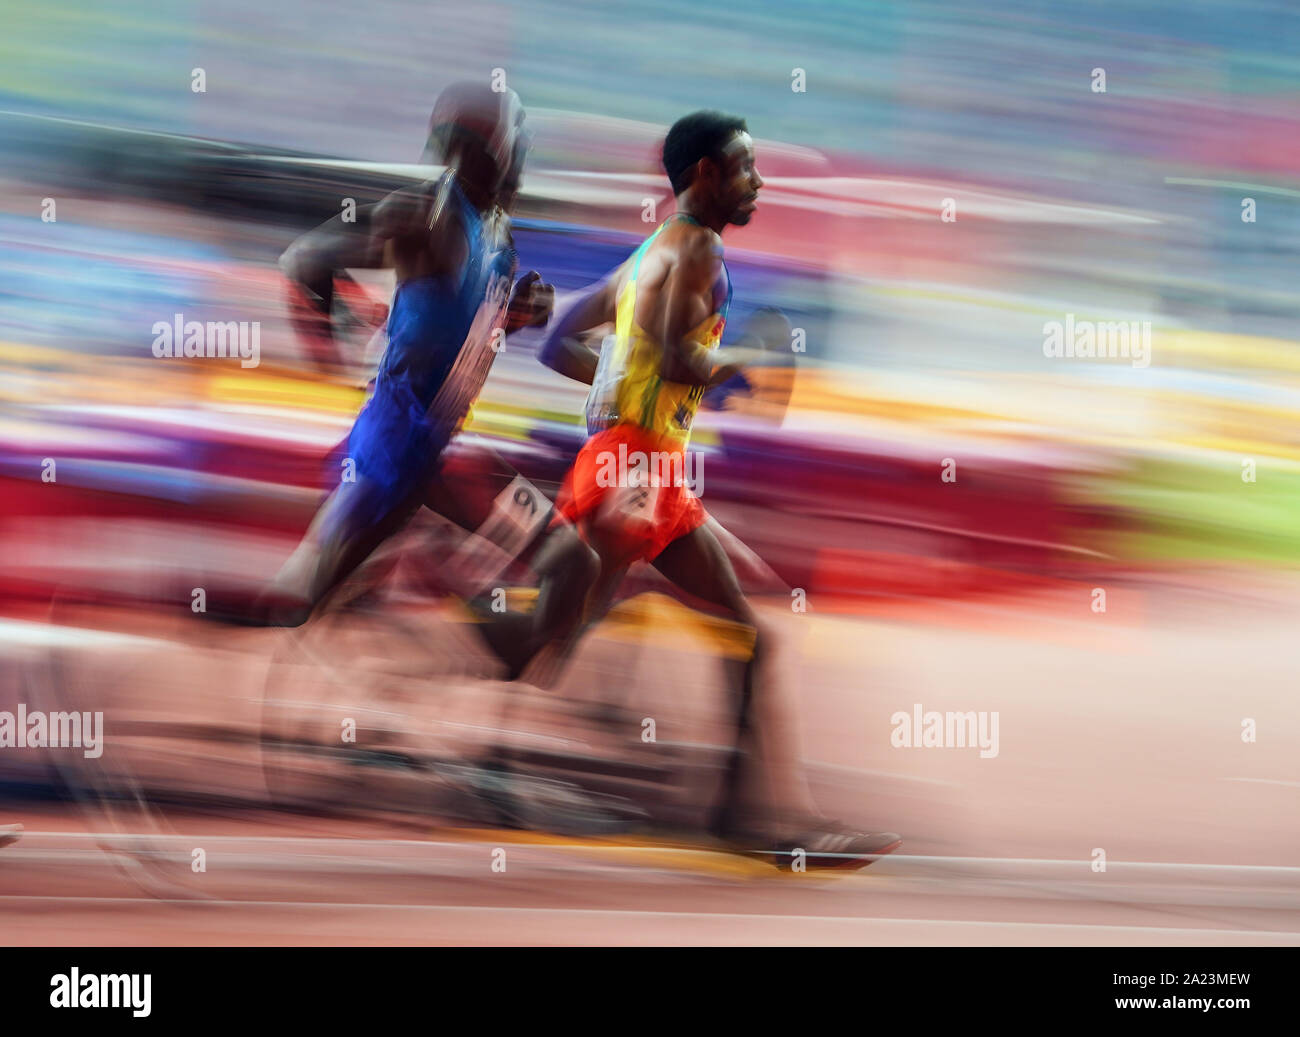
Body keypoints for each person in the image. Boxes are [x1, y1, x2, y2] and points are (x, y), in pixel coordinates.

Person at [487, 110, 901, 867]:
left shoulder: (648, 252)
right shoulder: (701, 247)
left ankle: (752, 822)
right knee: (552, 637)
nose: (758, 181)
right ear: (706, 174)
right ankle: (457, 703)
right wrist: (751, 355)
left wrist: (625, 397)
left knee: (738, 632)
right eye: (746, 166)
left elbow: (559, 343)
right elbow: (680, 359)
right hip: (636, 472)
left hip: (647, 469)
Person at [262, 81, 554, 626]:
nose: (524, 164)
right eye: (520, 146)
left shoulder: (498, 238)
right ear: (490, 149)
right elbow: (304, 260)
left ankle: (468, 615)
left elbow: (471, 350)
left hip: (439, 454)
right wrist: (337, 349)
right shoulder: (425, 214)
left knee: (560, 552)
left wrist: (513, 319)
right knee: (298, 598)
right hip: (390, 454)